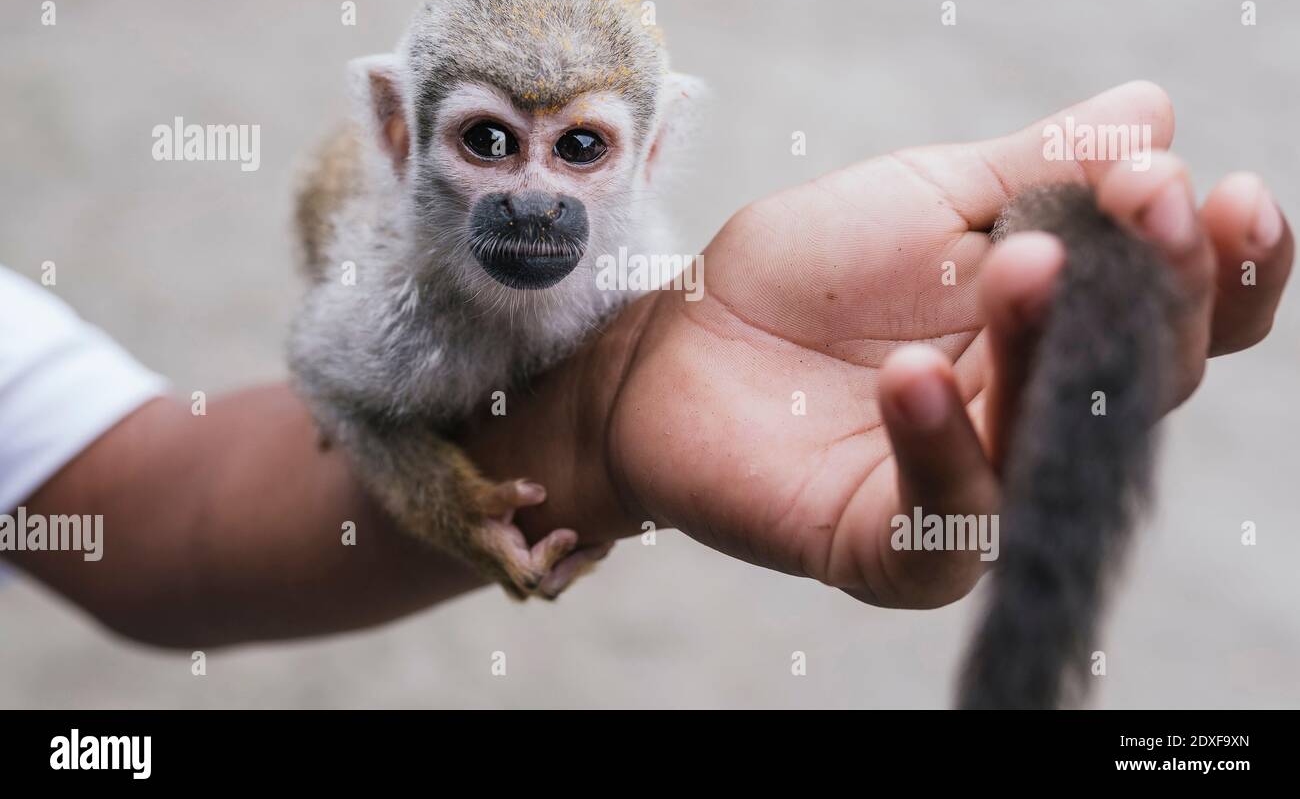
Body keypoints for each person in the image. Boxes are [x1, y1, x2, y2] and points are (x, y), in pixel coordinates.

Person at [2, 82, 1290, 646]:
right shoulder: (392, 299)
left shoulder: (634, 282)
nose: (533, 200)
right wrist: (460, 509)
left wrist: (597, 426)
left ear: (654, 154)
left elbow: (125, 499)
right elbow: (337, 390)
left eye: (582, 153)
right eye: (484, 143)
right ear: (399, 132)